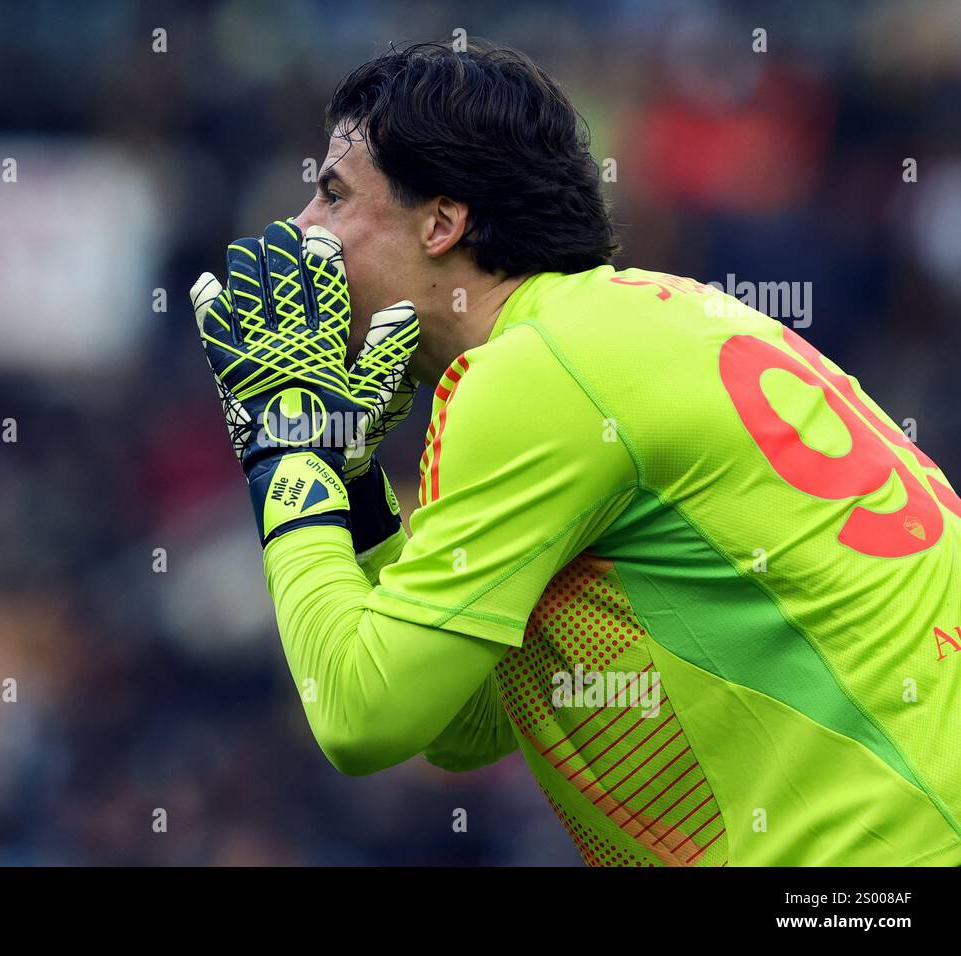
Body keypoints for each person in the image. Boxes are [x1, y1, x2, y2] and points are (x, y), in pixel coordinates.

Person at [190, 40, 961, 866]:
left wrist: (286, 459)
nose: (303, 227)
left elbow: (359, 717)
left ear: (442, 222)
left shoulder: (537, 378)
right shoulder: (638, 323)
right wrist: (355, 496)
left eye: (334, 194)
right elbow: (461, 722)